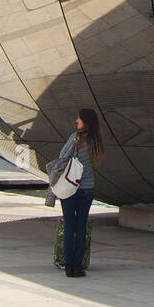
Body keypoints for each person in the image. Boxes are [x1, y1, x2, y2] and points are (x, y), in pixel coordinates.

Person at [56, 108, 104, 277]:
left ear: (85, 121)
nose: (77, 120)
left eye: (79, 118)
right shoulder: (96, 141)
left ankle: (68, 267)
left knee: (69, 225)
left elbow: (63, 156)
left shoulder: (75, 138)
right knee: (81, 226)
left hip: (70, 187)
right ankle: (78, 266)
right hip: (87, 188)